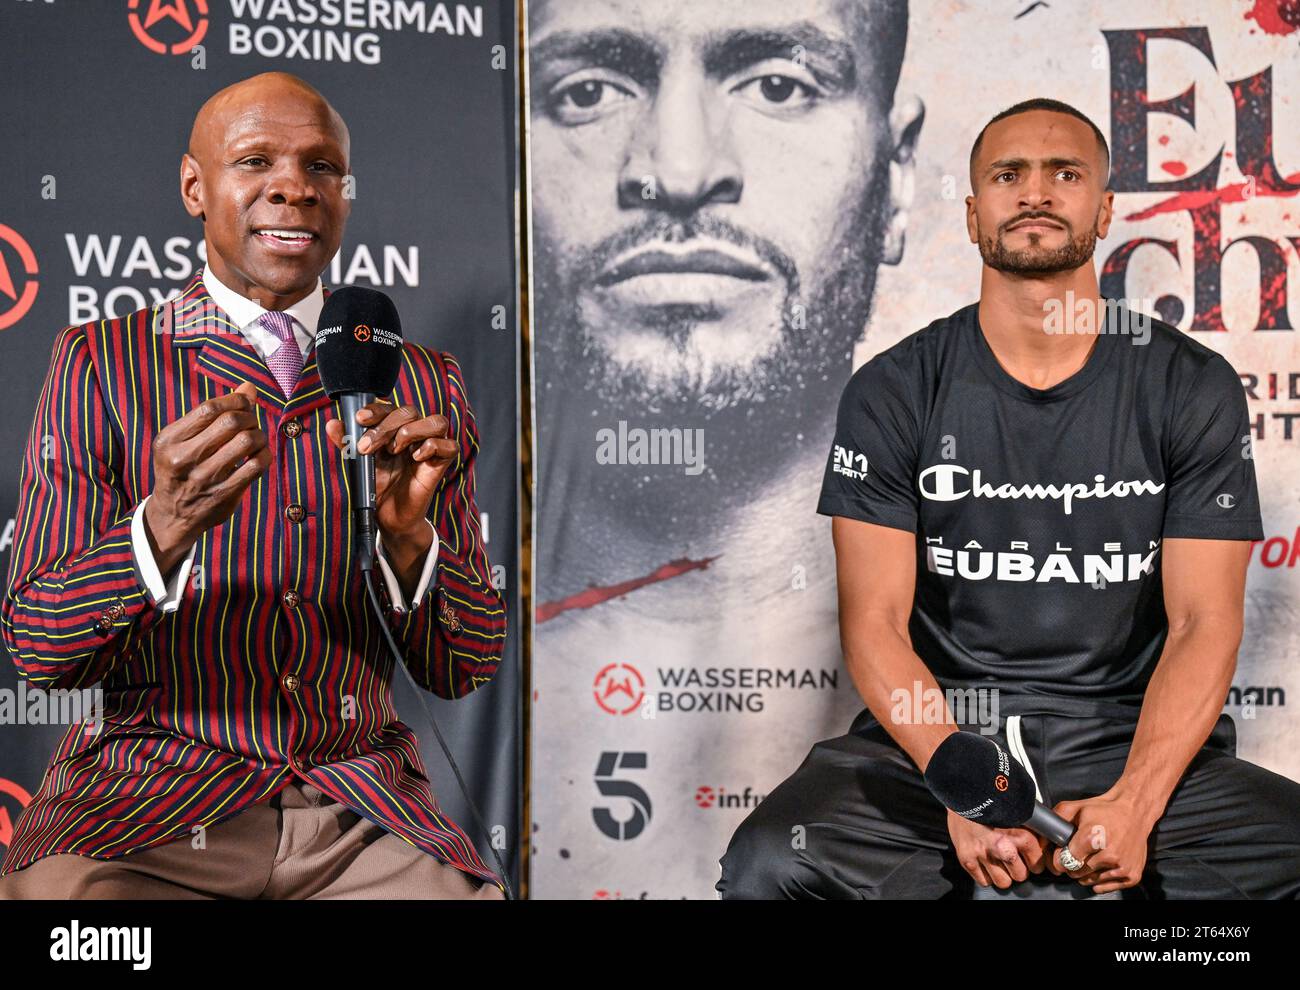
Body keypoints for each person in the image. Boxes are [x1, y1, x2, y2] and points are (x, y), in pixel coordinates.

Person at [717, 98, 1300, 899]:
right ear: (971, 212)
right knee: (773, 859)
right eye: (1007, 174)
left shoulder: (1188, 385)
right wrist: (964, 785)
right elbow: (875, 624)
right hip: (943, 739)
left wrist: (1134, 802)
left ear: (1104, 208)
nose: (1035, 193)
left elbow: (1206, 623)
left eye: (1065, 174)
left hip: (1131, 738)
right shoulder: (894, 389)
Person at [0, 72, 507, 899]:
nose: (294, 187)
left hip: (354, 804)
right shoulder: (101, 359)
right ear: (196, 188)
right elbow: (40, 646)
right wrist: (160, 526)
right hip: (148, 802)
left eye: (322, 167)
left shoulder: (421, 382)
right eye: (255, 160)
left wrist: (411, 540)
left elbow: (466, 663)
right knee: (77, 932)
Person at [528, 0, 921, 897]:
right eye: (590, 90)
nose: (677, 168)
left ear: (896, 179)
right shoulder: (386, 679)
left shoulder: (999, 660)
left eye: (778, 86)